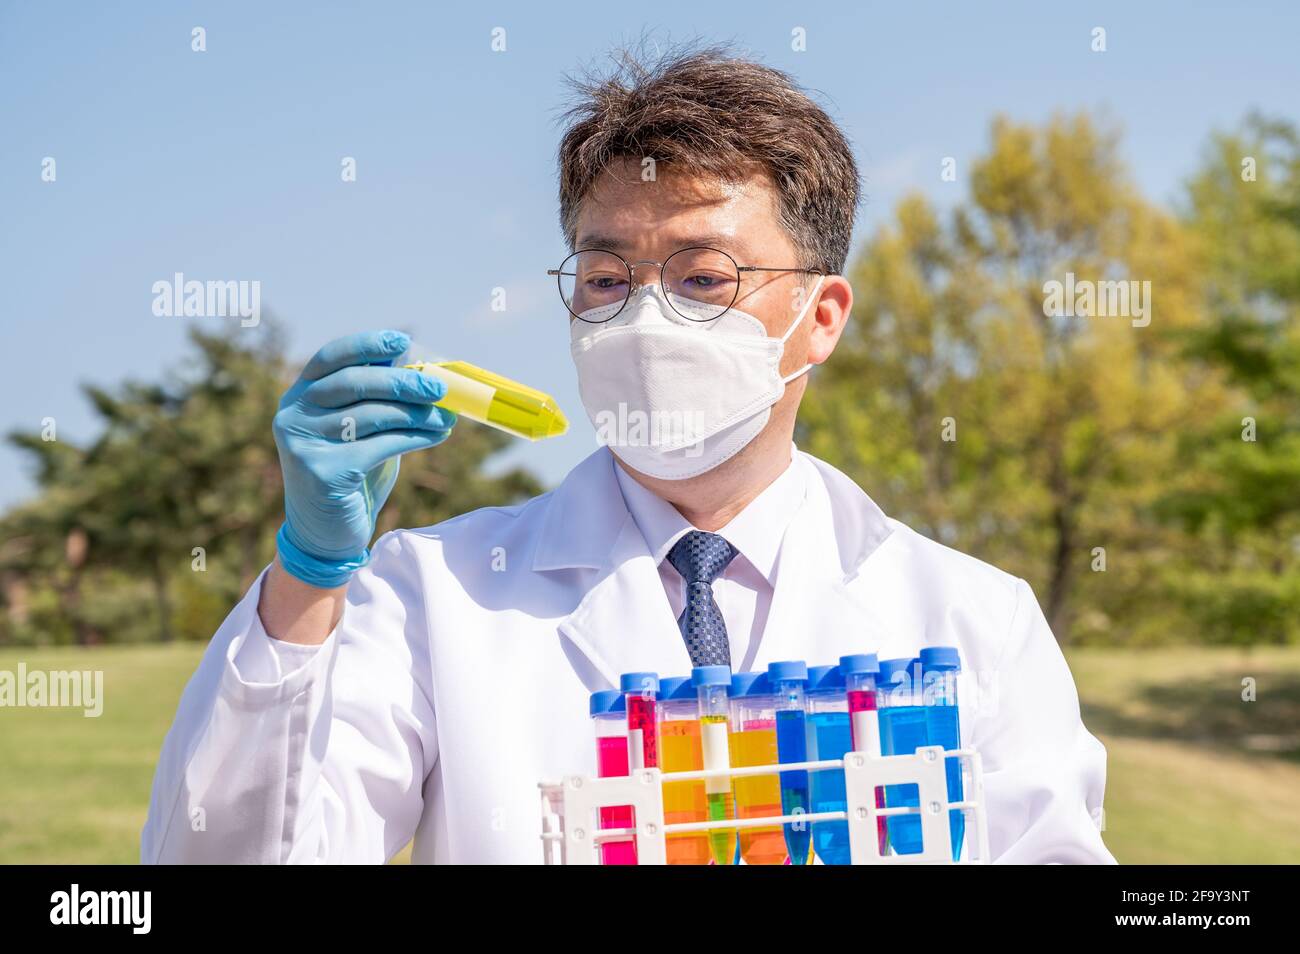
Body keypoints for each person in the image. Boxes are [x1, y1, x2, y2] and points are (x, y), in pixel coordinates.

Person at [142, 47, 1115, 864]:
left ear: (820, 318)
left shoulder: (972, 622)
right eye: (606, 277)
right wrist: (307, 580)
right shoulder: (433, 598)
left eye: (703, 277)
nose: (644, 319)